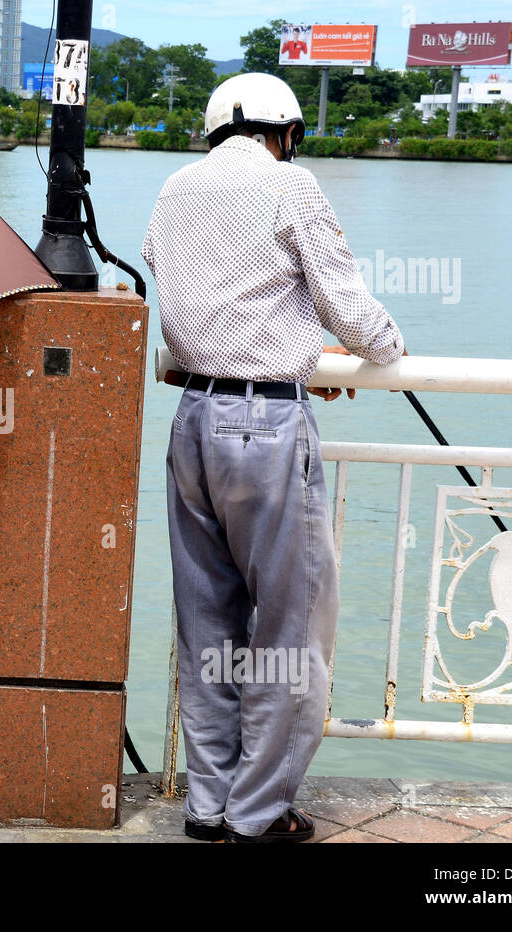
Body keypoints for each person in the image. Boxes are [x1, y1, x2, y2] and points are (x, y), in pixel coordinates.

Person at [141, 73, 406, 842]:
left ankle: (207, 805)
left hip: (192, 417)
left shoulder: (174, 187)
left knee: (207, 624)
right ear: (280, 129)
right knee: (290, 629)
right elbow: (346, 304)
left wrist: (269, 349)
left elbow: (192, 288)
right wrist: (383, 350)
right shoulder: (291, 187)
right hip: (263, 427)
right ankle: (257, 814)